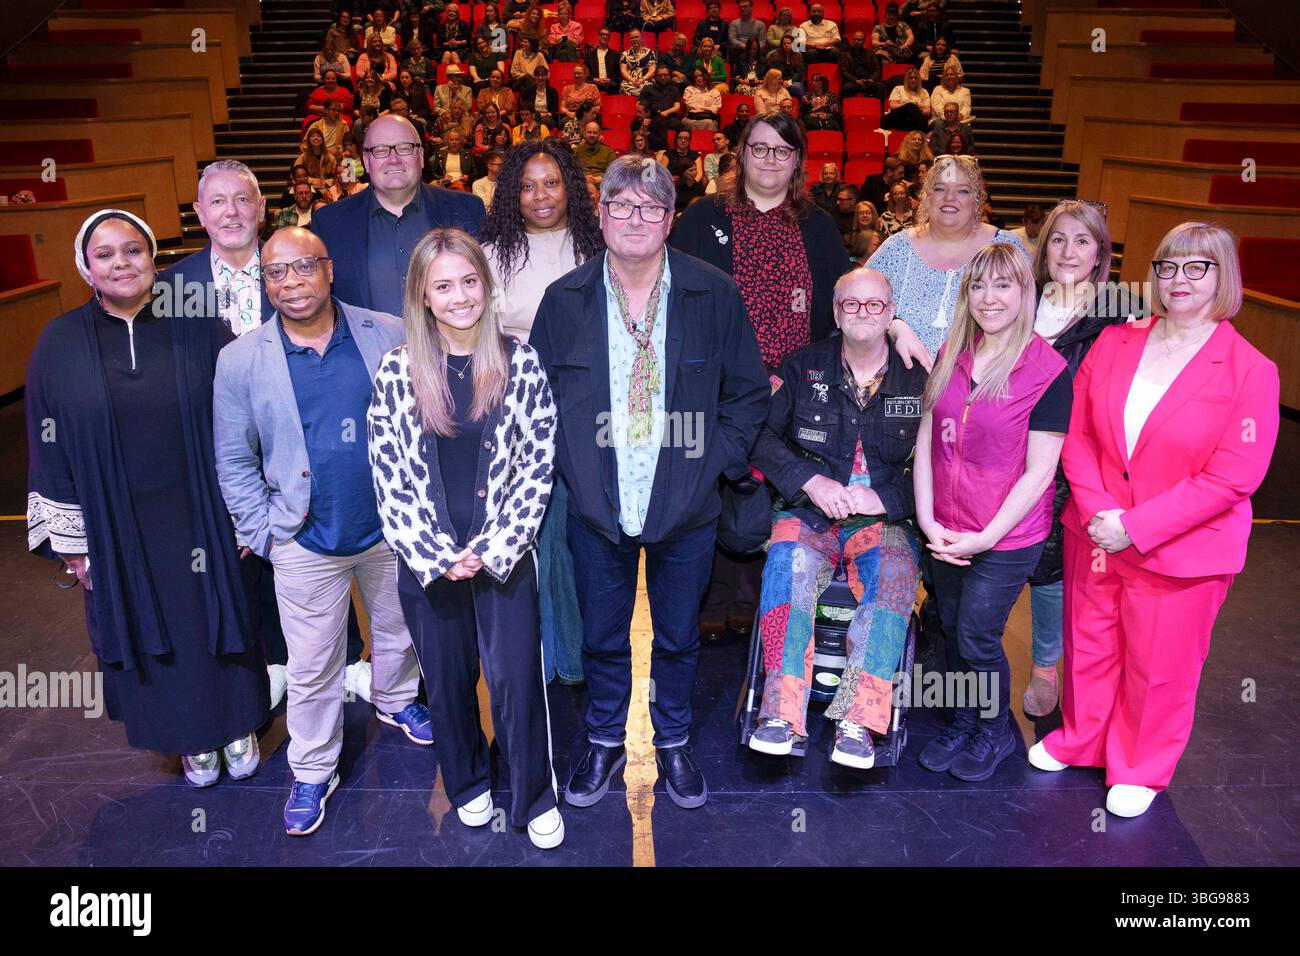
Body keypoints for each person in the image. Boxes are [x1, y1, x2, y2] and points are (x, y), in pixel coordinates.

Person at [530, 156, 769, 810]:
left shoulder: (713, 293)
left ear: (668, 220)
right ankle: (605, 738)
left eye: (650, 208)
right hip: (595, 508)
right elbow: (539, 403)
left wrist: (709, 468)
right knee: (602, 636)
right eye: (621, 206)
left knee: (678, 637)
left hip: (687, 510)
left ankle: (672, 741)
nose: (634, 219)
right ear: (601, 215)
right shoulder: (564, 299)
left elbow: (746, 397)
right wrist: (572, 471)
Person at [1029, 222, 1279, 817]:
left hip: (1183, 547)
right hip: (1095, 530)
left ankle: (1140, 764)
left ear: (1224, 277)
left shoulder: (1250, 369)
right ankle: (1082, 739)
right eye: (1168, 266)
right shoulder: (1116, 341)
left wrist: (1136, 526)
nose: (1179, 280)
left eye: (1198, 268)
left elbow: (1233, 477)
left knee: (1159, 664)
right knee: (1089, 645)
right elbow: (1080, 434)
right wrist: (1098, 511)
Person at [26, 208, 268, 788]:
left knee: (217, 614)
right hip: (116, 522)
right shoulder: (58, 343)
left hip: (203, 513)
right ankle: (188, 741)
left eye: (132, 250)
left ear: (153, 257)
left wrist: (244, 516)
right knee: (146, 621)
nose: (120, 263)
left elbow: (244, 419)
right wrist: (73, 544)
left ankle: (237, 725)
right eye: (104, 254)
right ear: (86, 267)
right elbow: (46, 440)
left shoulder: (197, 323)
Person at [214, 226, 429, 835]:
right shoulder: (241, 359)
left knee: (397, 629)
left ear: (328, 270)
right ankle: (312, 769)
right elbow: (233, 457)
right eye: (277, 273)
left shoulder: (385, 332)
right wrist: (264, 532)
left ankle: (396, 701)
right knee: (311, 665)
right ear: (266, 283)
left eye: (303, 267)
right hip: (302, 537)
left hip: (389, 525)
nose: (291, 282)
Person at [368, 227, 564, 848]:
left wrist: (497, 547)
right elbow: (388, 472)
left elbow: (538, 464)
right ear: (422, 296)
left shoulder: (521, 361)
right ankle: (469, 784)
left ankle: (534, 793)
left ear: (487, 284)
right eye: (443, 286)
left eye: (469, 281)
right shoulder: (398, 370)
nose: (459, 297)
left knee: (516, 683)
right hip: (428, 561)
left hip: (504, 556)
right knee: (447, 685)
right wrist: (434, 553)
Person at [671, 110, 850, 638]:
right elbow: (679, 299)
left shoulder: (817, 225)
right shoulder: (704, 218)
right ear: (741, 154)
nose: (770, 159)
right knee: (712, 484)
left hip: (792, 386)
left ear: (797, 161)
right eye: (759, 148)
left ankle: (755, 599)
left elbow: (834, 305)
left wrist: (790, 377)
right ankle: (711, 596)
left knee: (773, 489)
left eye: (782, 150)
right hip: (716, 382)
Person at [748, 267, 927, 766]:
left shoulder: (919, 375)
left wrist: (887, 498)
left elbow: (943, 461)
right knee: (787, 566)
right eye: (851, 304)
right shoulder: (804, 367)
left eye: (875, 305)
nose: (863, 313)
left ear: (891, 313)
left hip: (886, 522)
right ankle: (781, 714)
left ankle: (859, 720)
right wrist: (812, 481)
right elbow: (760, 435)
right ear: (835, 312)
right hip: (809, 512)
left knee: (893, 577)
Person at [912, 242, 1071, 781]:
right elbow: (928, 445)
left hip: (1007, 536)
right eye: (978, 285)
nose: (988, 297)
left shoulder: (1048, 370)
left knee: (979, 634)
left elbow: (1039, 474)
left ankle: (993, 731)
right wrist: (929, 520)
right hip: (947, 527)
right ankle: (964, 719)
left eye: (1003, 285)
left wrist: (985, 537)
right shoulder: (951, 354)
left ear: (1025, 292)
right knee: (954, 629)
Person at [479, 139, 605, 685]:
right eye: (527, 185)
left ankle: (581, 654)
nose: (540, 195)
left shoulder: (596, 249)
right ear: (512, 193)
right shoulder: (491, 255)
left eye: (551, 182)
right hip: (516, 413)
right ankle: (551, 658)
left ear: (570, 187)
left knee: (583, 538)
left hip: (586, 410)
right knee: (536, 534)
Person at [1015, 199, 1137, 719]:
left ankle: (1045, 666)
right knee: (979, 561)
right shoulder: (1016, 298)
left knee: (1046, 566)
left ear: (1100, 254)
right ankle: (963, 664)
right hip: (1001, 450)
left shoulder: (1118, 310)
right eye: (1059, 239)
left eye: (1082, 241)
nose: (1068, 251)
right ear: (1043, 247)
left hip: (1070, 456)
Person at [310, 113, 485, 317]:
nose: (394, 160)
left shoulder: (469, 210)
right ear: (366, 161)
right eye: (381, 150)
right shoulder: (330, 223)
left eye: (404, 148)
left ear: (420, 156)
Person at [868, 154, 1031, 367]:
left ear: (977, 200)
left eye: (962, 190)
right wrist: (894, 326)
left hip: (983, 387)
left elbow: (1032, 315)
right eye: (939, 188)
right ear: (926, 197)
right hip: (900, 388)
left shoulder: (1008, 247)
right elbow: (854, 304)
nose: (949, 198)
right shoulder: (897, 247)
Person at [641, 64, 684, 149]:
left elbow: (677, 106)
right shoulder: (648, 88)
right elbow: (640, 105)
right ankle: (663, 148)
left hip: (669, 118)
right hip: (652, 117)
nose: (663, 77)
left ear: (669, 76)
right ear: (655, 76)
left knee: (681, 125)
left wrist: (665, 113)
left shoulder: (674, 89)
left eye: (665, 75)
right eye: (660, 75)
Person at [427, 126, 478, 191]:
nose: (454, 142)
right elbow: (433, 173)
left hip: (462, 183)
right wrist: (443, 178)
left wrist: (468, 177)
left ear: (460, 141)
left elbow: (475, 173)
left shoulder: (467, 154)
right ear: (447, 141)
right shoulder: (440, 155)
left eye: (457, 139)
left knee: (458, 186)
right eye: (451, 139)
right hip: (445, 184)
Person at [840, 31, 885, 100]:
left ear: (864, 41)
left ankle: (880, 109)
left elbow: (877, 70)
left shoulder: (870, 54)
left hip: (869, 81)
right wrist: (856, 80)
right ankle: (847, 109)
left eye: (859, 40)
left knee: (880, 86)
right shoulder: (845, 55)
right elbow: (844, 72)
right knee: (846, 87)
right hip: (854, 82)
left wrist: (871, 79)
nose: (856, 41)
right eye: (854, 39)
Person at [766, 34, 805, 100]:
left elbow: (799, 72)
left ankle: (801, 107)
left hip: (794, 81)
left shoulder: (798, 56)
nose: (786, 45)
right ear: (781, 45)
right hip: (780, 81)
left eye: (788, 43)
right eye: (784, 44)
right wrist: (782, 81)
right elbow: (774, 72)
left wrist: (790, 82)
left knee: (796, 88)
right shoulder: (776, 56)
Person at [620, 28, 657, 96]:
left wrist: (642, 79)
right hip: (630, 82)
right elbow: (623, 71)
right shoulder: (625, 54)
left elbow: (652, 70)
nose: (634, 39)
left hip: (646, 81)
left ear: (641, 38)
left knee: (649, 88)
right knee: (624, 87)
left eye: (636, 37)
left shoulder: (650, 53)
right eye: (632, 38)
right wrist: (632, 80)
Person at [585, 25, 621, 95]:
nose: (604, 37)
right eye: (602, 34)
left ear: (609, 38)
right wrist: (594, 79)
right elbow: (585, 70)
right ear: (598, 36)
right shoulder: (590, 55)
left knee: (614, 86)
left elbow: (618, 72)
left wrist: (610, 79)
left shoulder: (615, 54)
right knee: (590, 86)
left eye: (607, 35)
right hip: (594, 83)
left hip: (609, 84)